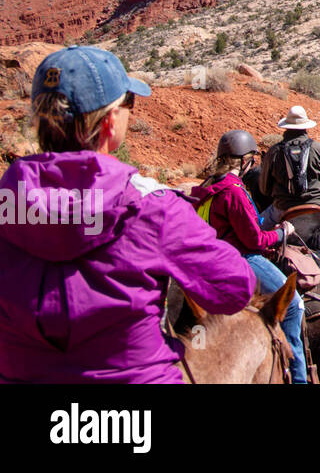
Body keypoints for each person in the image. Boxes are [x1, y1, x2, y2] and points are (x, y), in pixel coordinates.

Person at [0, 46, 254, 383]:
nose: (130, 113)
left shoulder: (7, 203)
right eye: (127, 105)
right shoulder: (152, 206)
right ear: (108, 122)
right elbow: (234, 287)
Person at [191, 130, 308, 384]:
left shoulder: (203, 188)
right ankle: (298, 378)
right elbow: (253, 240)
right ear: (244, 161)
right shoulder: (234, 190)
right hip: (239, 260)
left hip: (205, 262)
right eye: (251, 160)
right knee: (294, 307)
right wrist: (281, 233)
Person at [259, 105, 320, 226]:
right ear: (305, 127)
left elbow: (264, 188)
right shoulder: (319, 149)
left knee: (255, 233)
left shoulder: (274, 152)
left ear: (286, 127)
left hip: (282, 208)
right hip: (317, 204)